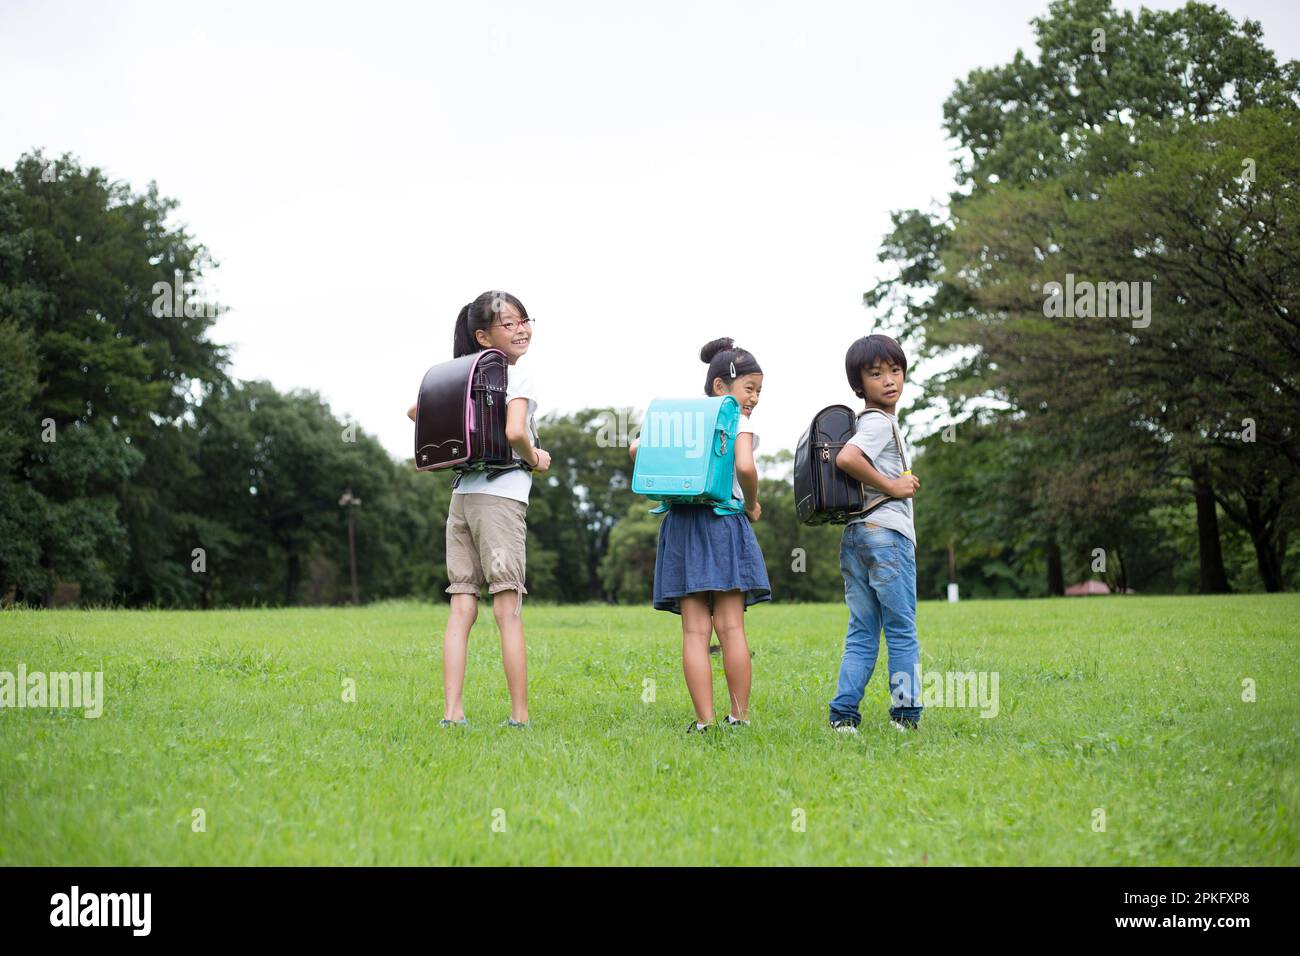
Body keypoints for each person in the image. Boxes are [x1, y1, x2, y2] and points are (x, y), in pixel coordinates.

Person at [406, 291, 550, 730]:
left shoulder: (458, 375)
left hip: (462, 498)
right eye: (509, 323)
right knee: (507, 608)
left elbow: (415, 411)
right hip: (501, 497)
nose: (521, 328)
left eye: (524, 319)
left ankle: (453, 714)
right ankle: (520, 717)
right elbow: (513, 430)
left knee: (462, 606)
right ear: (483, 336)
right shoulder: (512, 377)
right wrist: (535, 456)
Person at [631, 337, 770, 733]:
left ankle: (704, 721)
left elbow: (635, 449)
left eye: (759, 391)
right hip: (724, 523)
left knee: (694, 631)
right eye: (750, 388)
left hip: (682, 526)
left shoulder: (680, 418)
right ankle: (739, 717)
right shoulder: (733, 419)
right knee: (731, 628)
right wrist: (752, 503)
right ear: (720, 388)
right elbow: (745, 467)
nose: (755, 398)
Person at [828, 333, 923, 733]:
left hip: (856, 536)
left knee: (863, 631)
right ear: (858, 385)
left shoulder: (876, 423)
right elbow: (847, 457)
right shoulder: (878, 422)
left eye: (895, 370)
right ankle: (905, 717)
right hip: (886, 535)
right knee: (902, 630)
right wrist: (893, 485)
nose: (889, 380)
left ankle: (843, 717)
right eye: (876, 373)